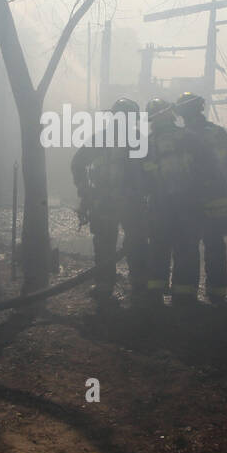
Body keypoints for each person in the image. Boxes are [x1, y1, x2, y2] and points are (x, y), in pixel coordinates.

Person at [71, 98, 149, 304]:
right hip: (125, 202)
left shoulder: (102, 139)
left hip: (110, 201)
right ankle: (136, 284)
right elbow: (78, 164)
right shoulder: (139, 141)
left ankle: (109, 286)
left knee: (113, 242)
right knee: (133, 242)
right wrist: (85, 189)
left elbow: (77, 164)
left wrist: (84, 189)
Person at [142, 98, 213, 306]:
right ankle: (185, 296)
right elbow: (209, 169)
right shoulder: (190, 138)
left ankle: (155, 295)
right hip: (188, 205)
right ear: (171, 114)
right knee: (187, 248)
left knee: (158, 248)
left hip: (159, 206)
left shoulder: (146, 143)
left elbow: (139, 178)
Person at [176, 92, 227, 304]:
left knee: (187, 245)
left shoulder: (181, 137)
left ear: (182, 112)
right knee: (215, 245)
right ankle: (217, 293)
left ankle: (185, 292)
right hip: (217, 199)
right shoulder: (218, 133)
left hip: (189, 200)